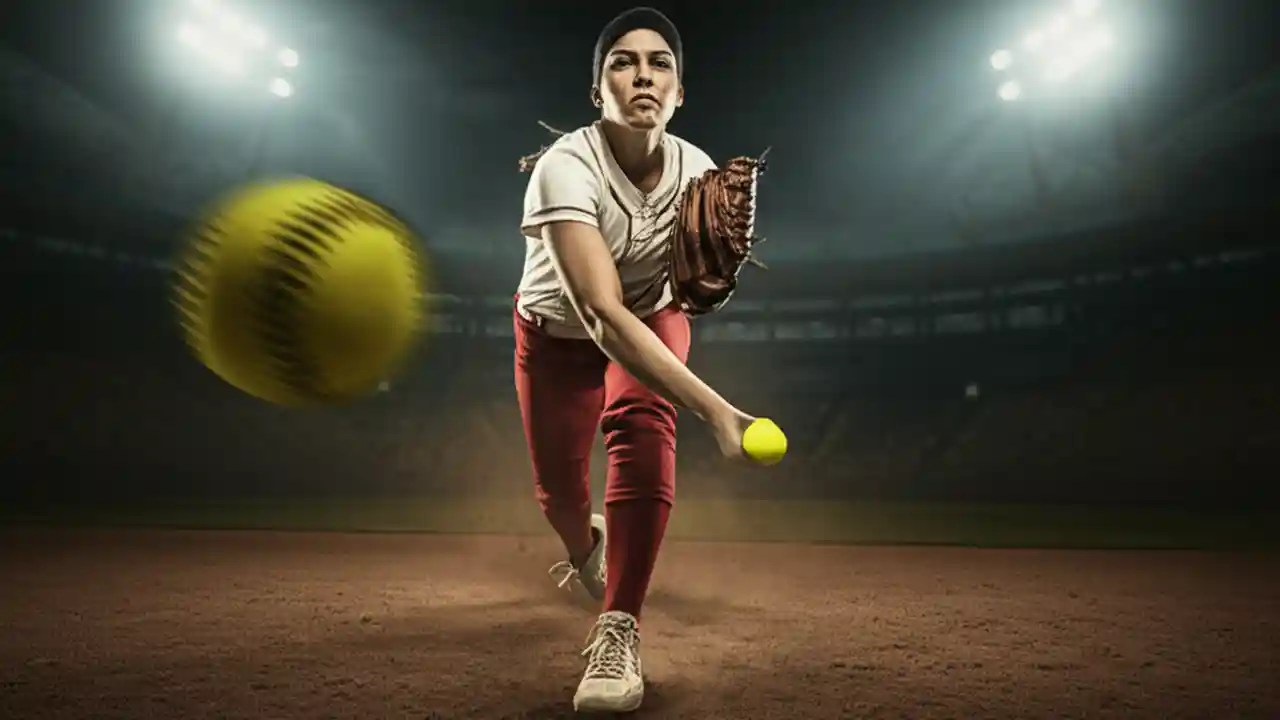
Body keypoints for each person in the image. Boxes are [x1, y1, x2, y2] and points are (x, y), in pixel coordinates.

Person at [512, 6, 760, 714]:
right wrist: (718, 409)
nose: (642, 73)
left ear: (679, 92)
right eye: (622, 61)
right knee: (558, 494)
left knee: (645, 420)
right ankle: (582, 541)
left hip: (651, 314)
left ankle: (618, 628)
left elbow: (675, 296)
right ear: (598, 90)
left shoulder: (698, 171)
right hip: (559, 336)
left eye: (660, 63)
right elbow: (597, 313)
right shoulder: (565, 167)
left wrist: (702, 289)